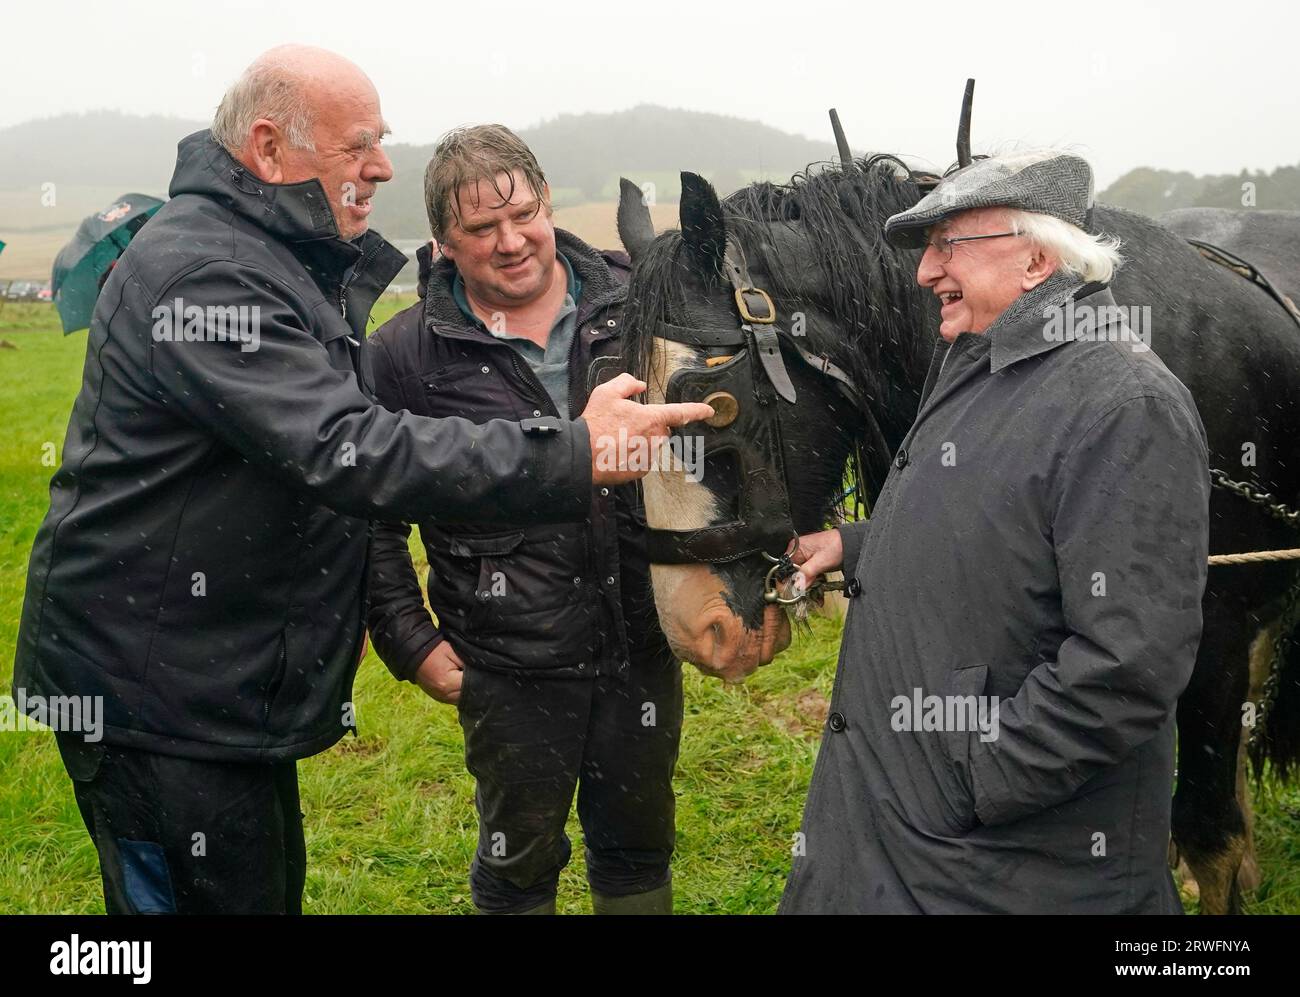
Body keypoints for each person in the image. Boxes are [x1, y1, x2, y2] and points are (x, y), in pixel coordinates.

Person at [12, 47, 709, 915]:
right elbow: (348, 446)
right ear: (269, 149)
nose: (381, 164)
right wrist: (572, 452)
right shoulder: (209, 272)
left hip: (211, 688)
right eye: (360, 146)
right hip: (162, 696)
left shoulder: (260, 252)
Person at [779, 150, 1210, 913]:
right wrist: (857, 543)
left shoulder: (1124, 405)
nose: (924, 272)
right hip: (900, 834)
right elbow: (991, 518)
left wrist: (979, 772)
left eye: (950, 246)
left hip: (1006, 870)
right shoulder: (980, 360)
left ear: (1037, 259)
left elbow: (1129, 664)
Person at [367, 125, 681, 915]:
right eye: (481, 228)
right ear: (443, 242)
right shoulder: (405, 354)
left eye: (523, 214)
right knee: (517, 862)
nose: (511, 243)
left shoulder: (637, 305)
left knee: (639, 846)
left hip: (641, 645)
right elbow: (367, 519)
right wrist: (416, 646)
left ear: (546, 204)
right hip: (506, 664)